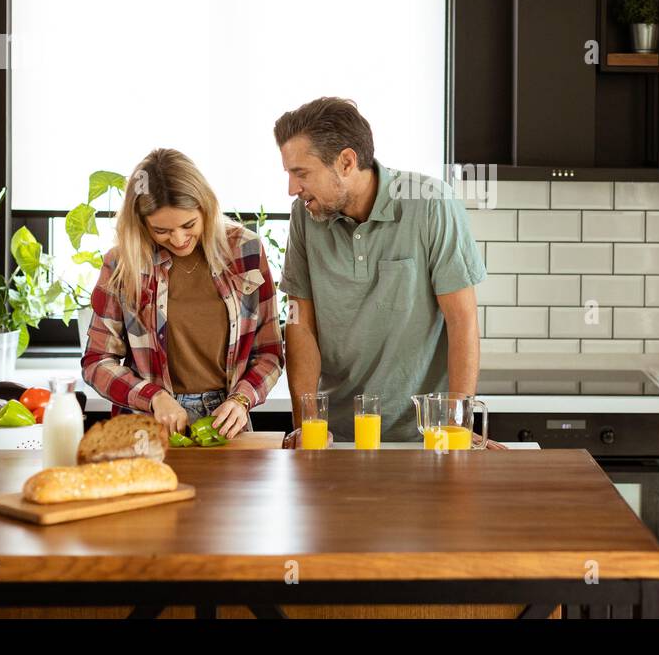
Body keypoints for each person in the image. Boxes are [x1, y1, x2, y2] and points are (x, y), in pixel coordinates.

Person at [273, 97, 486, 444]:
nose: (292, 189)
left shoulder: (432, 204)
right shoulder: (306, 216)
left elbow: (462, 320)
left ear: (346, 162)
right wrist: (306, 427)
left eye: (301, 174)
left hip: (425, 437)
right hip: (335, 439)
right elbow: (300, 323)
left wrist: (455, 428)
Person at [82, 148, 283, 438]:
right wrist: (153, 397)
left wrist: (241, 400)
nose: (178, 239)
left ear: (206, 208)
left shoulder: (245, 250)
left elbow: (269, 352)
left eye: (189, 225)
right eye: (161, 230)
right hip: (146, 422)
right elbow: (96, 361)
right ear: (141, 223)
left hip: (223, 420)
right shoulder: (122, 262)